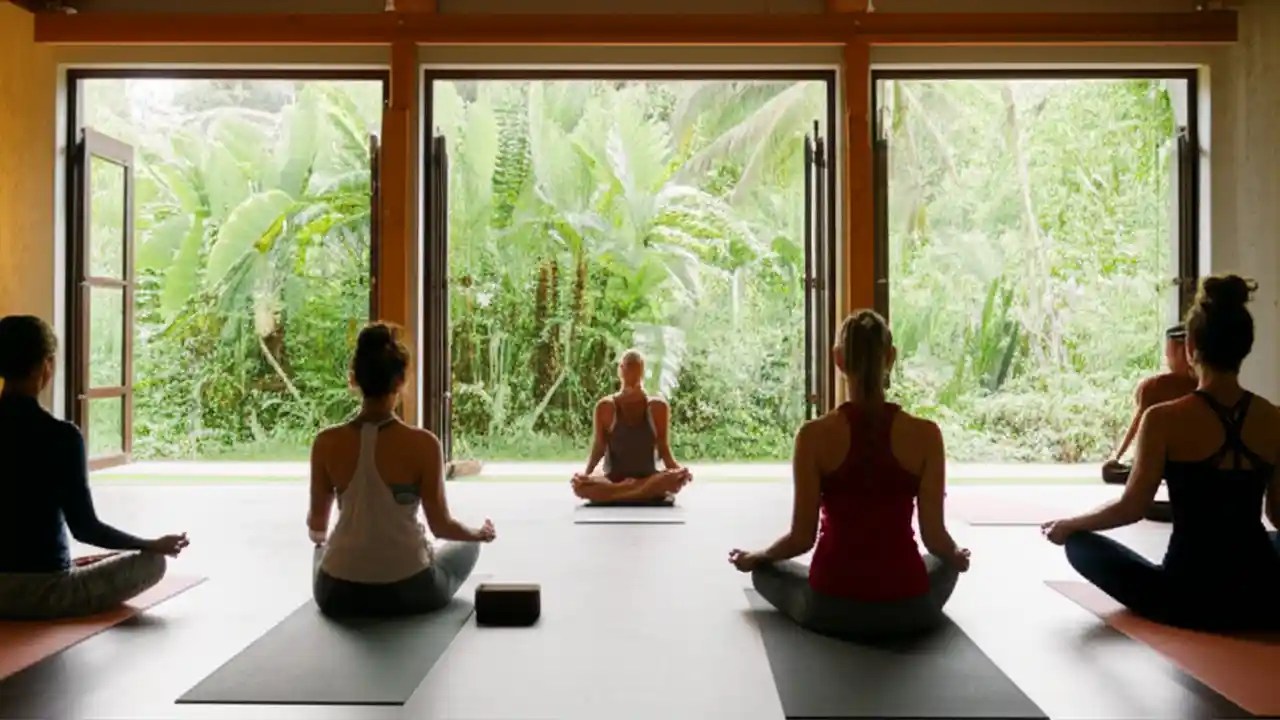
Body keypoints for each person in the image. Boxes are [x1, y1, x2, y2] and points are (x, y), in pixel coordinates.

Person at [1044, 275, 1280, 632]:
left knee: (1079, 546)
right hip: (1262, 595)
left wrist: (1071, 524)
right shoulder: (1274, 419)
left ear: (1191, 348)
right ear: (1245, 347)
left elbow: (1131, 508)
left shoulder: (1163, 419)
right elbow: (1277, 514)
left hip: (1184, 596)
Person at [728, 310, 970, 640]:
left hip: (830, 606)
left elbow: (801, 538)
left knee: (764, 572)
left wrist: (758, 556)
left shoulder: (813, 436)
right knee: (944, 563)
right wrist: (955, 555)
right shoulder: (926, 435)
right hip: (908, 608)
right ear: (891, 357)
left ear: (838, 359)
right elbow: (935, 538)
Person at [0, 315, 188, 620]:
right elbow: (85, 528)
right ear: (45, 365)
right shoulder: (61, 436)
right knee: (152, 562)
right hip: (48, 593)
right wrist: (150, 544)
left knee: (95, 560)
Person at [309, 322, 495, 618]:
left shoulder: (326, 442)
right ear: (401, 381)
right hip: (411, 591)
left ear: (353, 378)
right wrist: (479, 534)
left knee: (322, 551)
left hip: (337, 595)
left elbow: (316, 528)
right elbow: (441, 527)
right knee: (468, 546)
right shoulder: (424, 444)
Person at [1102, 324, 1199, 521]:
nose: (1166, 357)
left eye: (1168, 352)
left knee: (1112, 473)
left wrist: (1117, 457)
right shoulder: (1206, 385)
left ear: (1182, 351)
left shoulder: (1155, 386)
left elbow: (1137, 425)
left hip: (1167, 463)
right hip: (1194, 467)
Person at [571, 349, 692, 504]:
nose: (631, 373)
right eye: (628, 367)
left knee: (668, 479)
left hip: (648, 478)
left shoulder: (658, 407)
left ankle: (620, 492)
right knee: (582, 486)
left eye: (635, 368)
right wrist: (586, 476)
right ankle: (638, 492)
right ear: (620, 370)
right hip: (614, 479)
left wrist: (678, 472)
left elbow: (664, 449)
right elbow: (599, 447)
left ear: (642, 371)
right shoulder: (606, 406)